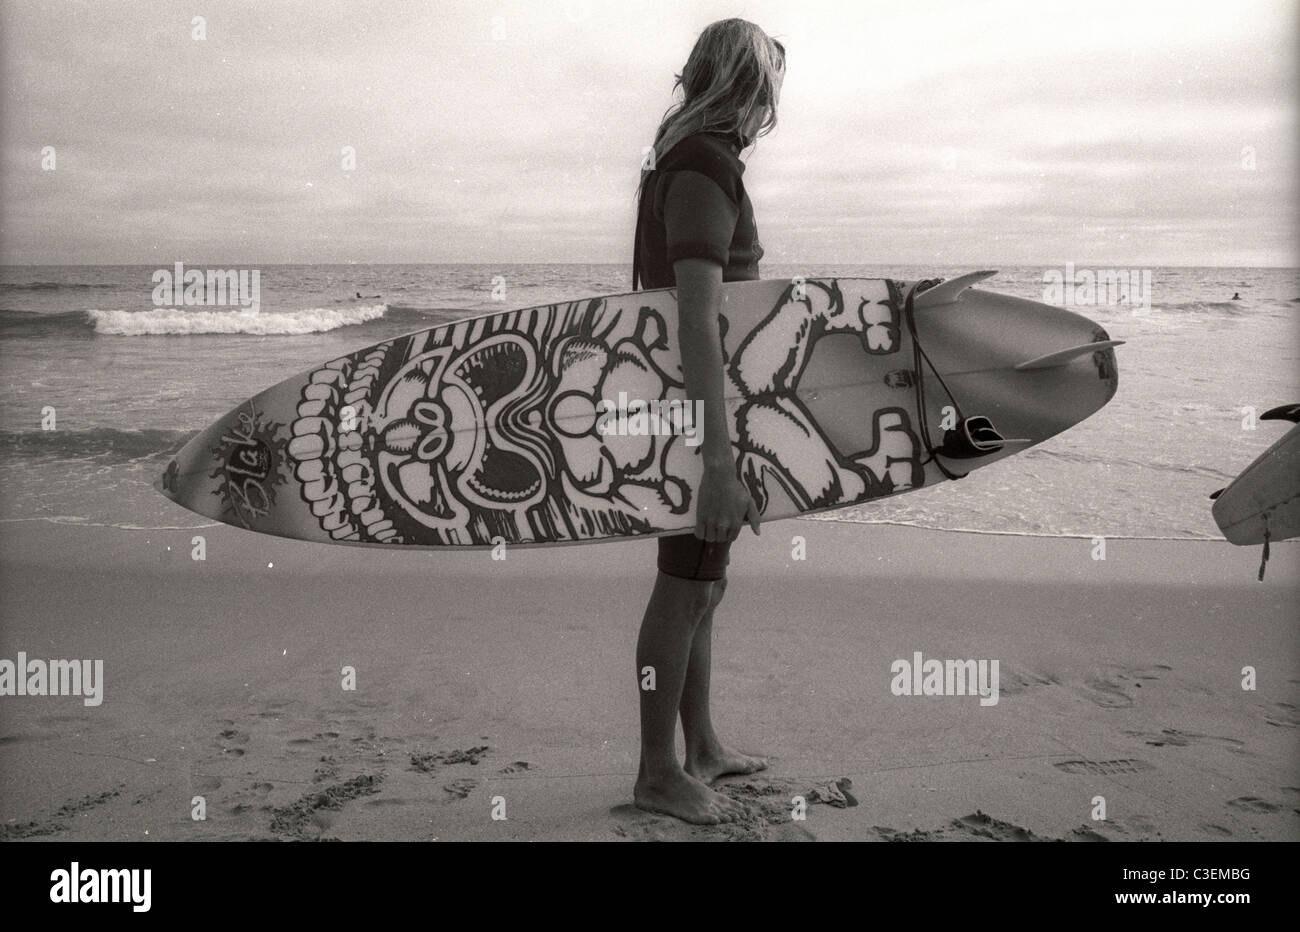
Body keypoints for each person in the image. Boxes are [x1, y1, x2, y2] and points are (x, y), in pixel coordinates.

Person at [629, 19, 785, 824]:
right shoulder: (702, 166)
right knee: (682, 589)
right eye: (765, 84)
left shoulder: (690, 161)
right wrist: (718, 463)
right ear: (743, 86)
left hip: (705, 414)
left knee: (705, 585)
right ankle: (657, 770)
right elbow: (697, 319)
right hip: (699, 424)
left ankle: (704, 747)